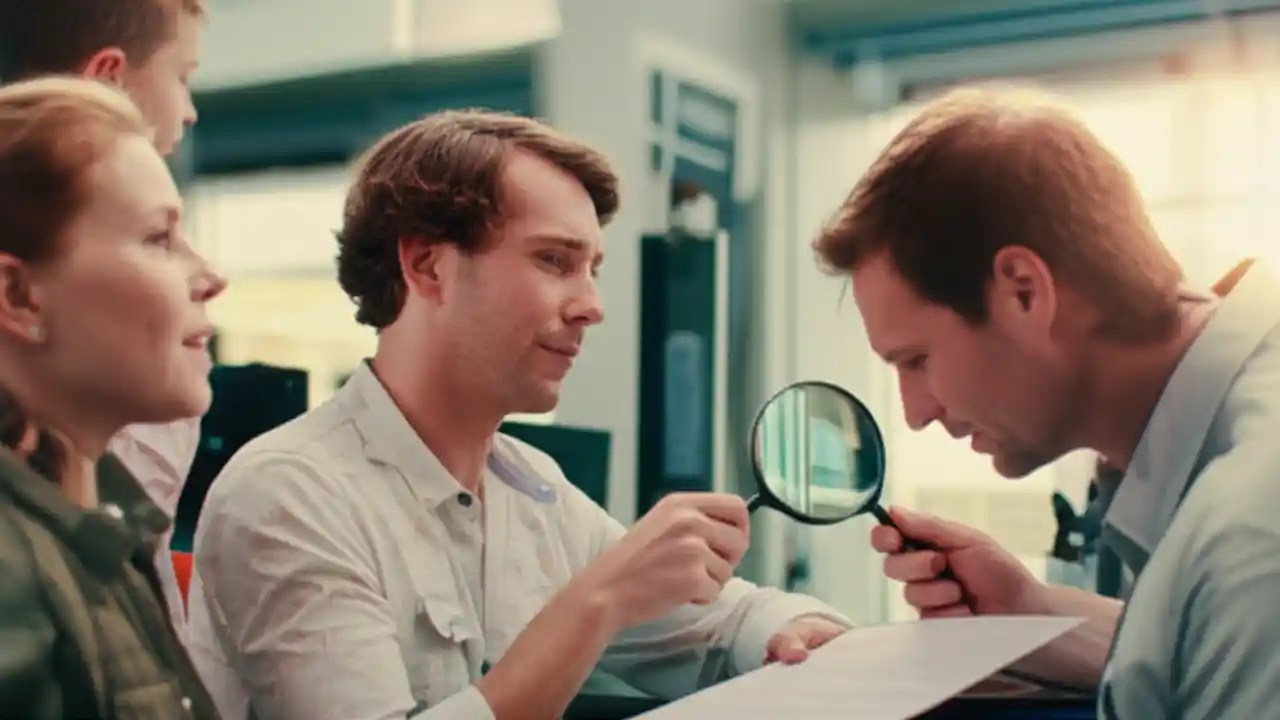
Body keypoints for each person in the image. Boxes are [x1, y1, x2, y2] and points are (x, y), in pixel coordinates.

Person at [187, 110, 852, 720]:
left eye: (592, 268)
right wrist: (597, 602)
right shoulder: (288, 494)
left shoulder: (532, 489)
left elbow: (730, 625)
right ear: (427, 267)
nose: (592, 304)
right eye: (554, 260)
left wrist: (805, 636)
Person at [814, 85, 1280, 718]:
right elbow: (1201, 647)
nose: (916, 412)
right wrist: (1031, 613)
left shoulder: (1248, 536)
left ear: (1025, 292)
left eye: (917, 361)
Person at [0, 76, 224, 717]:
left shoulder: (107, 526)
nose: (209, 276)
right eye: (159, 238)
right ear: (17, 296)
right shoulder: (15, 576)